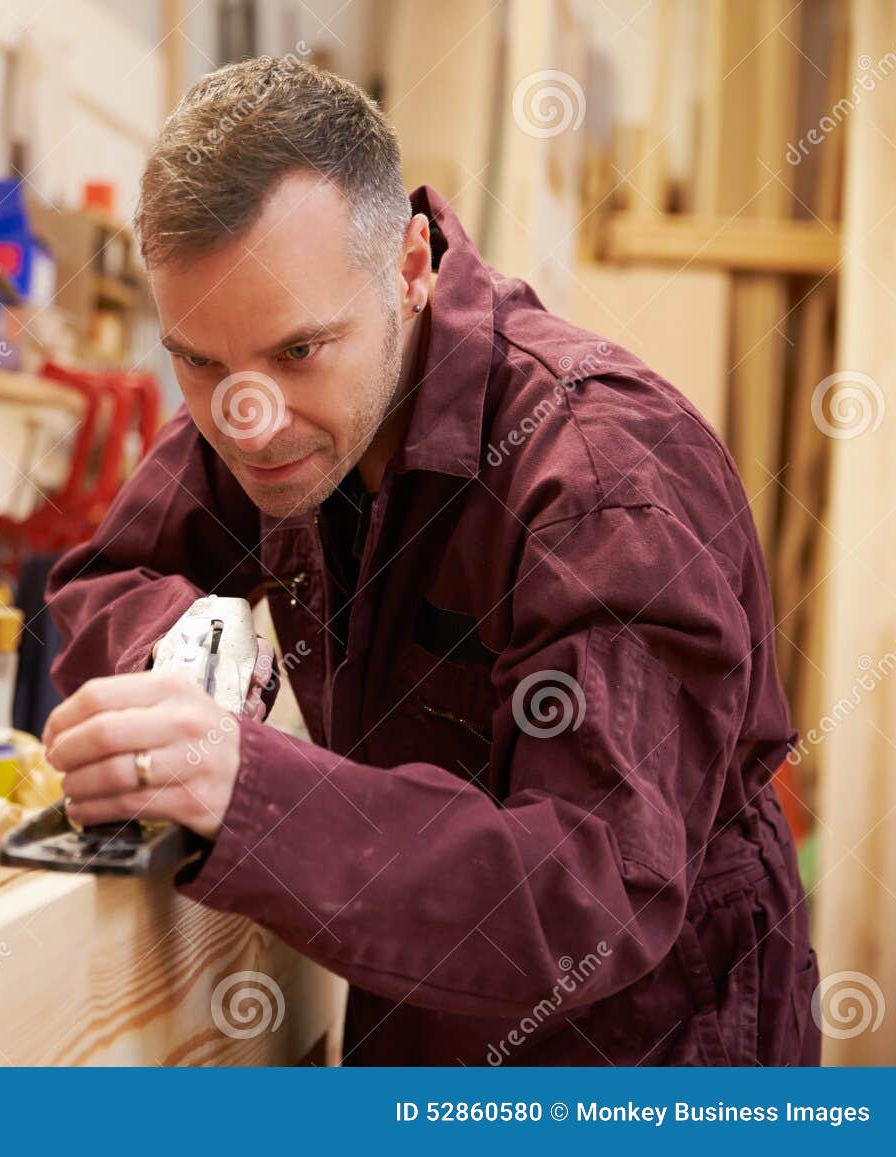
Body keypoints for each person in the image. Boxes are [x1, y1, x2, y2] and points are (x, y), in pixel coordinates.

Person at [40, 56, 818, 1066]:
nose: (248, 418)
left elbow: (595, 886)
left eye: (298, 352)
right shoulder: (267, 402)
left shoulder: (601, 479)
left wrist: (248, 791)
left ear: (411, 268)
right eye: (194, 359)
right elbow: (107, 578)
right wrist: (186, 653)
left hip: (644, 1049)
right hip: (417, 1016)